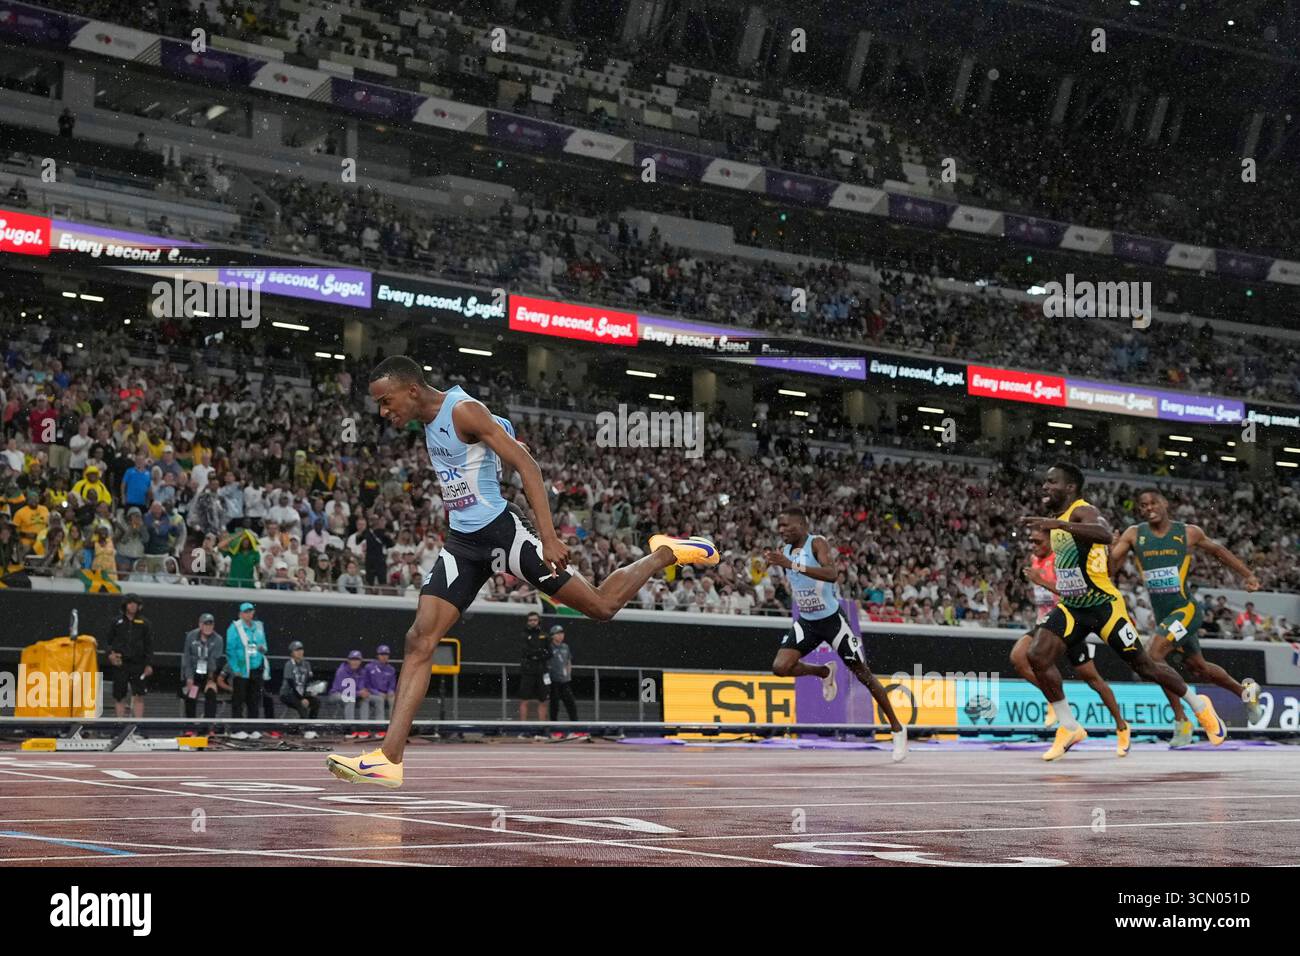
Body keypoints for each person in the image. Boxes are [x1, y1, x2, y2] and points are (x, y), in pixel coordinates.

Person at [328, 356, 718, 787]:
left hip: (502, 532)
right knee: (420, 638)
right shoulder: (431, 418)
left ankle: (664, 554)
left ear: (413, 390)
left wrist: (549, 537)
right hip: (462, 542)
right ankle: (389, 758)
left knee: (601, 606)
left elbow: (527, 465)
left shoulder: (462, 410)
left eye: (386, 401)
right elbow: (503, 438)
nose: (383, 412)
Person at [1022, 464, 1225, 760]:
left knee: (1145, 666)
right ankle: (1069, 726)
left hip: (1104, 605)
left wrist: (1061, 526)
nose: (1044, 487)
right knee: (1036, 655)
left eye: (1051, 482)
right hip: (1074, 606)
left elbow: (1104, 534)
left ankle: (1199, 705)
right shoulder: (1058, 518)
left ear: (1070, 487)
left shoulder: (1082, 511)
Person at [1110, 489, 1264, 747]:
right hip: (1163, 614)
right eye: (1143, 505)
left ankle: (1182, 720)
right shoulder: (1134, 534)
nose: (1148, 508)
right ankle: (1245, 692)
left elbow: (1217, 551)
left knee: (1154, 657)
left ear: (1165, 503)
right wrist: (1111, 550)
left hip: (1185, 610)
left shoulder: (1188, 532)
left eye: (1153, 503)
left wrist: (1247, 574)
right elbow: (1111, 569)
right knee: (1199, 667)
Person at [764, 507, 907, 762]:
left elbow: (832, 574)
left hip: (832, 621)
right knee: (780, 667)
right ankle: (823, 672)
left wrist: (791, 564)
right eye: (779, 526)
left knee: (862, 673)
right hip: (807, 621)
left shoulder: (816, 543)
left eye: (786, 526)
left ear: (801, 525)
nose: (782, 530)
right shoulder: (783, 551)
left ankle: (897, 728)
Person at [1009, 527, 1131, 756]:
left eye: (1037, 541)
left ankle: (1122, 726)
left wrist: (1042, 581)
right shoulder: (1035, 559)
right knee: (1019, 657)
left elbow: (1075, 595)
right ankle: (1056, 702)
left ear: (1051, 541)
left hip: (1071, 622)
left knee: (1093, 679)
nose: (1033, 546)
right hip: (1047, 626)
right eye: (1031, 542)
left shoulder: (1062, 559)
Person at [107, 594, 153, 718]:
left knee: (139, 694)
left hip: (139, 663)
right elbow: (109, 642)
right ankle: (119, 725)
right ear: (125, 605)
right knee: (119, 695)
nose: (132, 606)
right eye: (130, 603)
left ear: (139, 606)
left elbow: (149, 645)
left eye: (135, 603)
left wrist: (148, 664)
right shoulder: (116, 622)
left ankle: (137, 725)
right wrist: (111, 655)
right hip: (120, 663)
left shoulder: (144, 623)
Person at [225, 601, 268, 720]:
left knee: (254, 699)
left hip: (256, 666)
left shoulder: (259, 626)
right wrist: (235, 668)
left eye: (251, 611)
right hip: (242, 666)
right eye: (246, 612)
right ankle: (237, 728)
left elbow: (264, 646)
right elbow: (230, 650)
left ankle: (252, 727)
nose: (249, 614)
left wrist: (262, 649)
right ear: (240, 614)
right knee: (239, 698)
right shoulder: (235, 627)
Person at [180, 612, 221, 719]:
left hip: (209, 674)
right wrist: (189, 677)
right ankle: (190, 727)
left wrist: (211, 680)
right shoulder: (191, 636)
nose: (208, 627)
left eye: (210, 624)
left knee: (211, 694)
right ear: (200, 624)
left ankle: (209, 726)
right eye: (206, 624)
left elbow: (214, 660)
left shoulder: (218, 639)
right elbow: (187, 658)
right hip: (194, 674)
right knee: (191, 695)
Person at [518, 611, 551, 729]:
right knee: (524, 699)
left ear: (539, 621)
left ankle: (543, 728)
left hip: (542, 671)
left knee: (544, 700)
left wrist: (537, 654)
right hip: (528, 671)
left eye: (535, 620)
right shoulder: (523, 635)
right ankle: (523, 729)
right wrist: (538, 653)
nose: (533, 622)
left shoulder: (545, 635)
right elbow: (525, 652)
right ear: (527, 621)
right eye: (530, 620)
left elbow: (549, 653)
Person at [547, 624, 580, 731]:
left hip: (564, 681)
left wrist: (568, 675)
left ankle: (576, 727)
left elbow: (568, 661)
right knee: (554, 705)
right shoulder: (549, 647)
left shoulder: (565, 647)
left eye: (562, 633)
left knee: (571, 704)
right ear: (552, 636)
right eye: (558, 634)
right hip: (553, 681)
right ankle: (553, 728)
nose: (561, 636)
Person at [329, 650, 371, 734]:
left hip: (353, 695)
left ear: (360, 661)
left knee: (365, 699)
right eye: (353, 659)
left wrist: (364, 692)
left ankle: (364, 728)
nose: (355, 662)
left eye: (357, 659)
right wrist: (359, 693)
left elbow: (362, 687)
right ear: (348, 660)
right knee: (350, 699)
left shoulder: (361, 671)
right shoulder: (342, 670)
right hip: (336, 694)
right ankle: (350, 729)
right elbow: (345, 691)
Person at [280, 641, 321, 722]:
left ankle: (310, 725)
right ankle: (306, 728)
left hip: (301, 694)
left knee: (316, 702)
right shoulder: (289, 664)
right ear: (291, 653)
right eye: (296, 650)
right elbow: (291, 684)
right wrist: (302, 698)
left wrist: (312, 691)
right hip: (287, 694)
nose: (299, 652)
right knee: (300, 704)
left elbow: (308, 681)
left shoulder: (306, 664)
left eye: (301, 649)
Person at [362, 645, 397, 726]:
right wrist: (377, 693)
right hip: (373, 692)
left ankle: (393, 725)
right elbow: (366, 685)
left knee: (393, 699)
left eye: (386, 654)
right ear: (377, 655)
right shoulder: (369, 667)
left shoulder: (391, 669)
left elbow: (392, 684)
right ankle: (380, 725)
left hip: (386, 693)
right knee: (379, 699)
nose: (384, 656)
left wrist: (390, 691)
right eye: (382, 654)